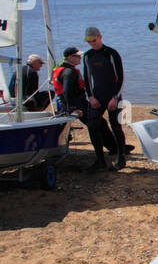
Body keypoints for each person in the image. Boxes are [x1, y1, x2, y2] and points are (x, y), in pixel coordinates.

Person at [80, 26, 127, 172]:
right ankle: (100, 160)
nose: (92, 43)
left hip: (113, 96)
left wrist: (114, 98)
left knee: (116, 126)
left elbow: (120, 78)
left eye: (94, 40)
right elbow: (87, 79)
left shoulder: (111, 54)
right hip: (97, 98)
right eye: (89, 42)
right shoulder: (87, 56)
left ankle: (121, 159)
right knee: (92, 126)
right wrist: (91, 97)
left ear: (100, 37)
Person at [52, 47, 87, 117]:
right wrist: (72, 108)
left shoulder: (64, 69)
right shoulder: (69, 72)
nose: (80, 58)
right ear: (70, 57)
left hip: (66, 103)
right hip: (75, 104)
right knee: (97, 121)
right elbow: (66, 91)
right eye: (78, 56)